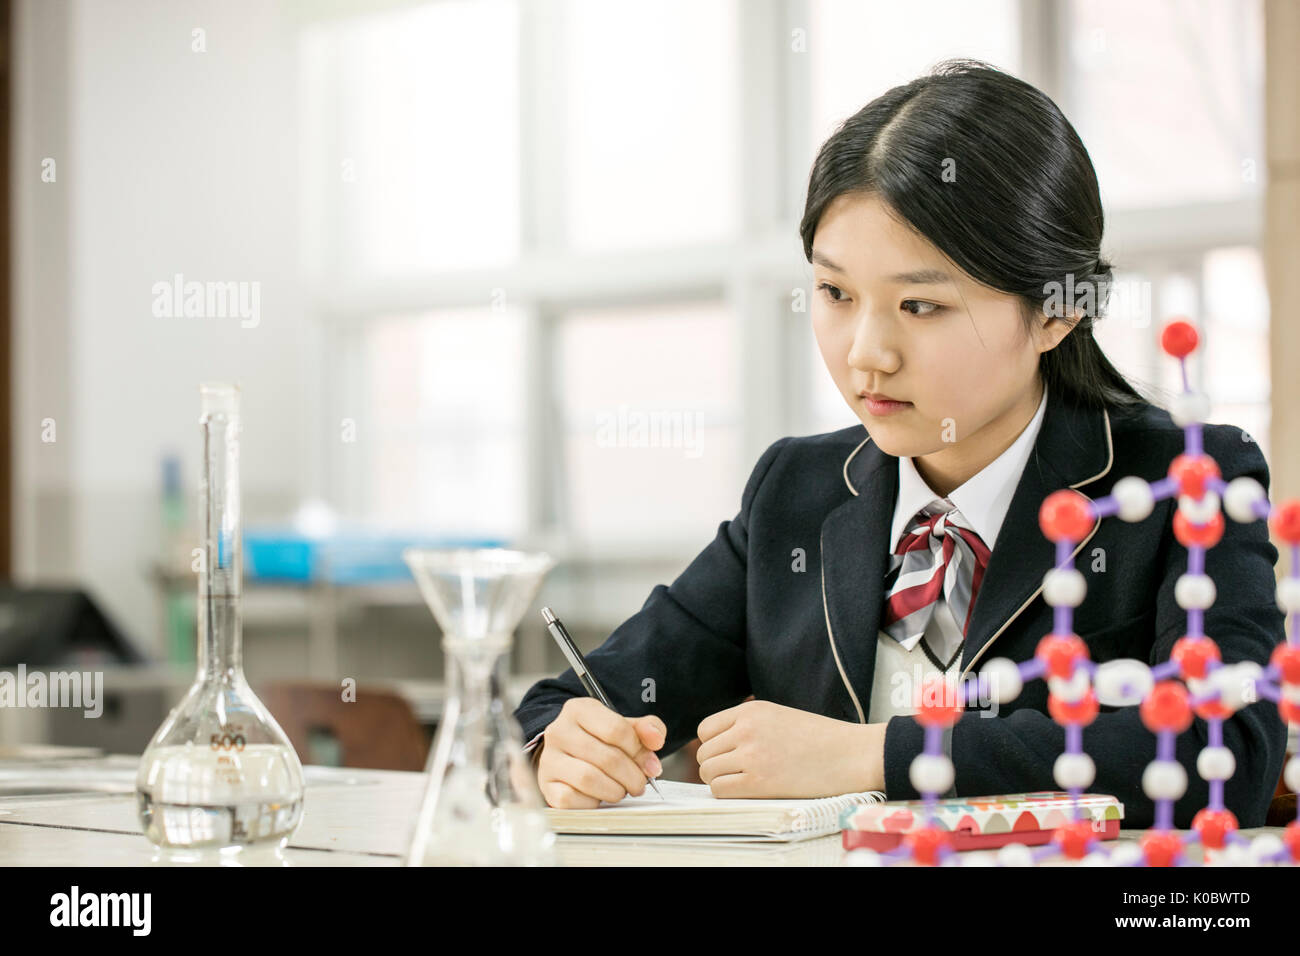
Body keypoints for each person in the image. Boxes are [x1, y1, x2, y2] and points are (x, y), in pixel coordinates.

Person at [513, 59, 1288, 829]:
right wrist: (563, 746)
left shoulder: (1184, 480)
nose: (866, 354)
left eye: (919, 305)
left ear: (1056, 311)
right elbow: (578, 701)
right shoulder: (797, 488)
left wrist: (877, 755)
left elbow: (1228, 750)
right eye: (835, 293)